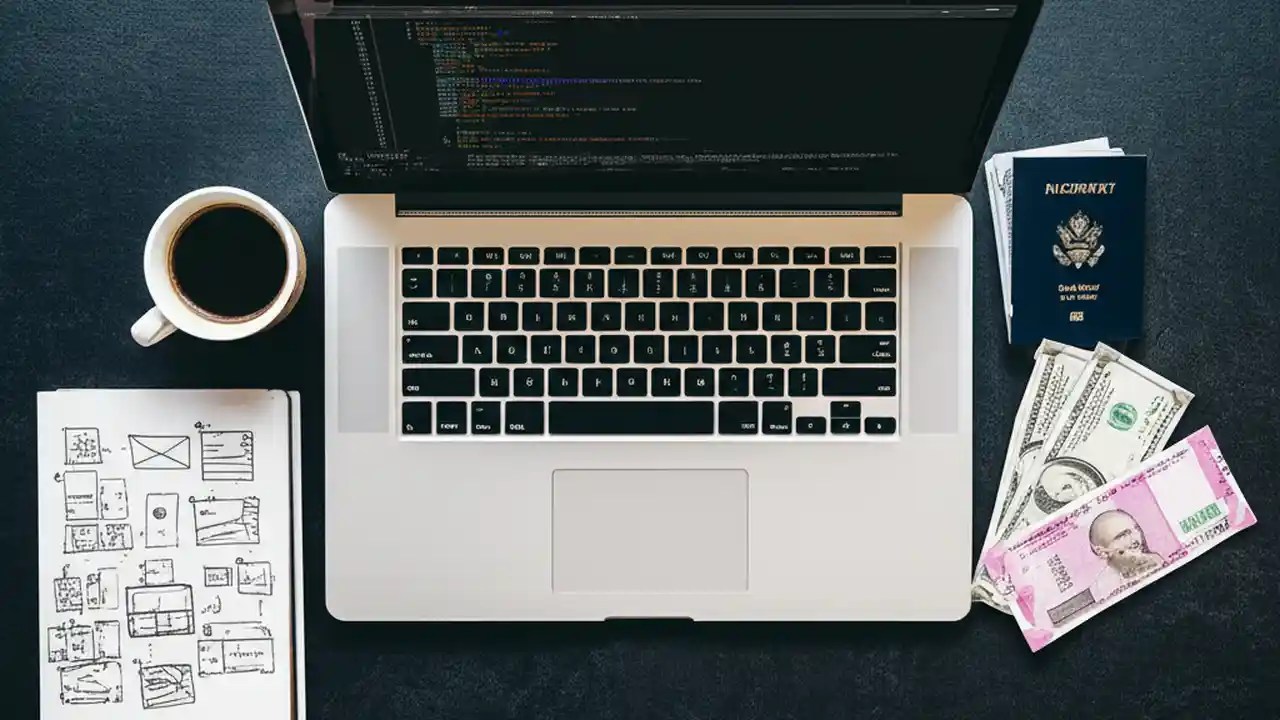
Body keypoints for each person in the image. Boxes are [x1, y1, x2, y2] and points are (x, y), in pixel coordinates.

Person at [1087, 509, 1166, 600]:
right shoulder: (1103, 587)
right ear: (1102, 551)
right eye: (1122, 535)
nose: (1135, 539)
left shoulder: (1156, 560)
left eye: (1136, 529)